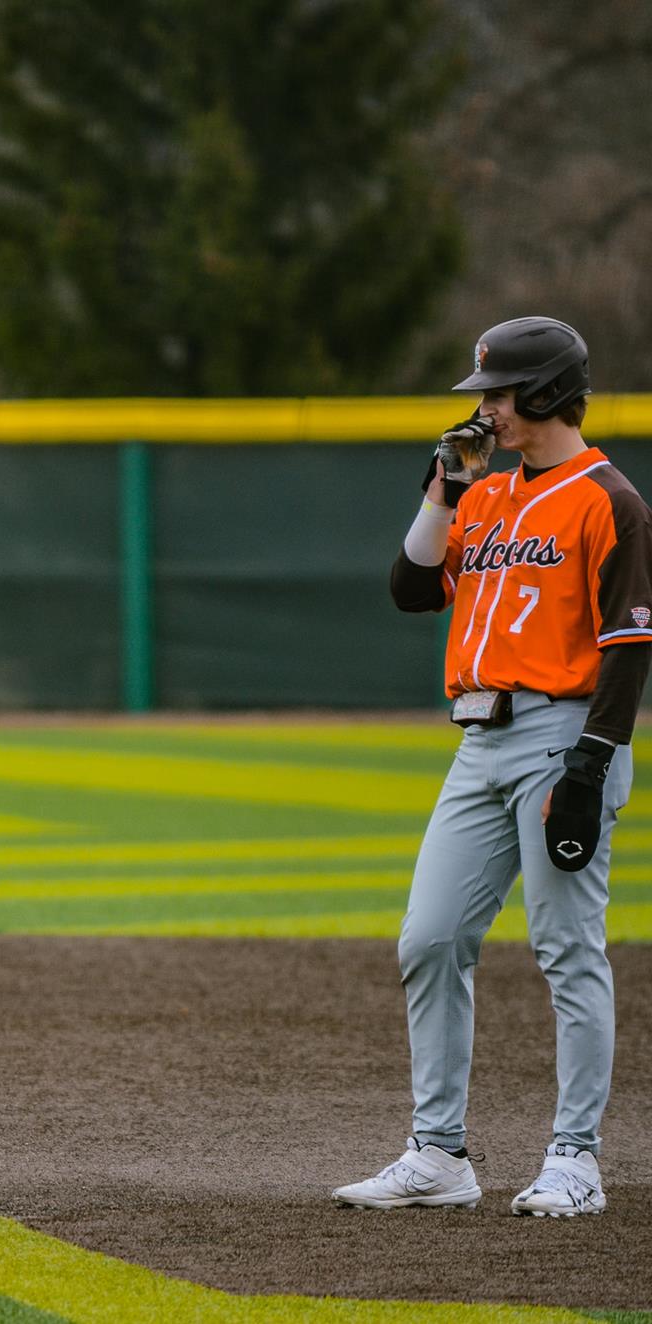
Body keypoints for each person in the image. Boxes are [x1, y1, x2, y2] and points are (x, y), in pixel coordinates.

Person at [333, 316, 651, 1216]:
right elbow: (409, 588)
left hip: (563, 736)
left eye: (499, 394)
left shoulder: (610, 500)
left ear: (549, 392)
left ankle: (576, 1159)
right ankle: (439, 1155)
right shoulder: (484, 497)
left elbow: (631, 643)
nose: (487, 410)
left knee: (567, 950)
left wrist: (593, 762)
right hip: (479, 743)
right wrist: (441, 492)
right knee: (429, 939)